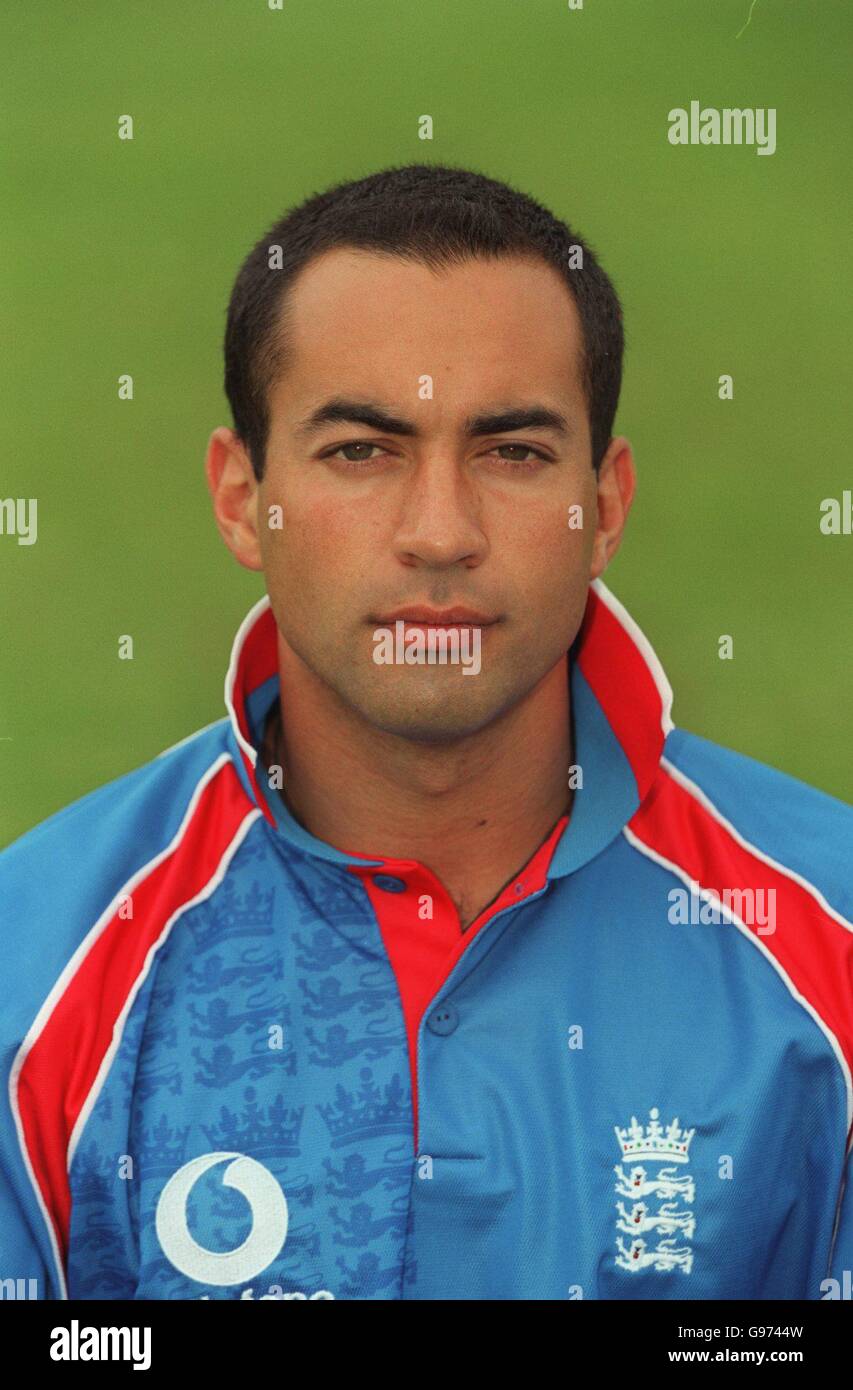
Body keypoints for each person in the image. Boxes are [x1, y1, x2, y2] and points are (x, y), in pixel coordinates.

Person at [1, 164, 850, 1301]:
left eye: (512, 452)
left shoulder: (829, 946)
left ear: (604, 507)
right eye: (362, 450)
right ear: (240, 495)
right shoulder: (33, 974)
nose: (440, 532)